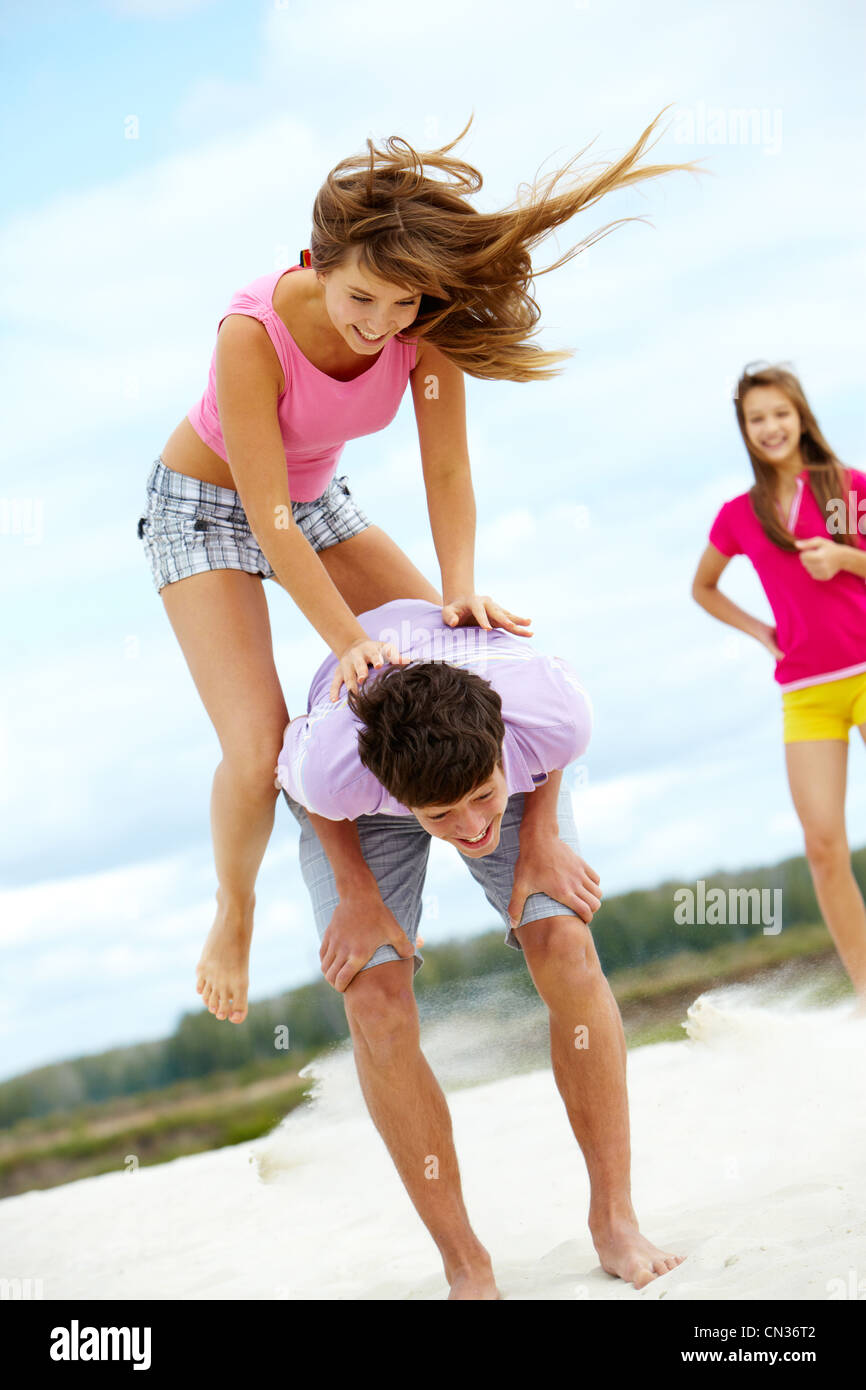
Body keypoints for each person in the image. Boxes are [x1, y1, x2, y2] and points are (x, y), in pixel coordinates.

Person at [136, 109, 700, 1027]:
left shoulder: (420, 326)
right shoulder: (250, 334)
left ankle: (509, 858)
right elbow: (263, 513)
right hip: (205, 508)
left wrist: (461, 582)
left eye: (401, 307)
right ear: (318, 265)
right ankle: (232, 913)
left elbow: (446, 469)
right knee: (257, 751)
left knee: (453, 664)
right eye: (364, 300)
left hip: (316, 501)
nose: (381, 325)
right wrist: (347, 641)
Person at [269, 597, 685, 1298]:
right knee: (372, 997)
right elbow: (315, 798)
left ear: (502, 754)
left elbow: (551, 755)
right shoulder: (334, 767)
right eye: (442, 817)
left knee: (563, 940)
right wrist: (358, 895)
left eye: (483, 798)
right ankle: (466, 1265)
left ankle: (616, 1222)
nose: (470, 828)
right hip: (358, 788)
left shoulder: (547, 709)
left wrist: (540, 836)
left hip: (483, 720)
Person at [692, 362, 866, 998]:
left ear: (801, 417)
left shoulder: (845, 488)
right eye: (756, 418)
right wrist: (760, 632)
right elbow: (702, 588)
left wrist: (845, 556)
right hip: (806, 693)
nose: (770, 427)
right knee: (822, 846)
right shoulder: (739, 514)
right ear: (745, 429)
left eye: (779, 414)